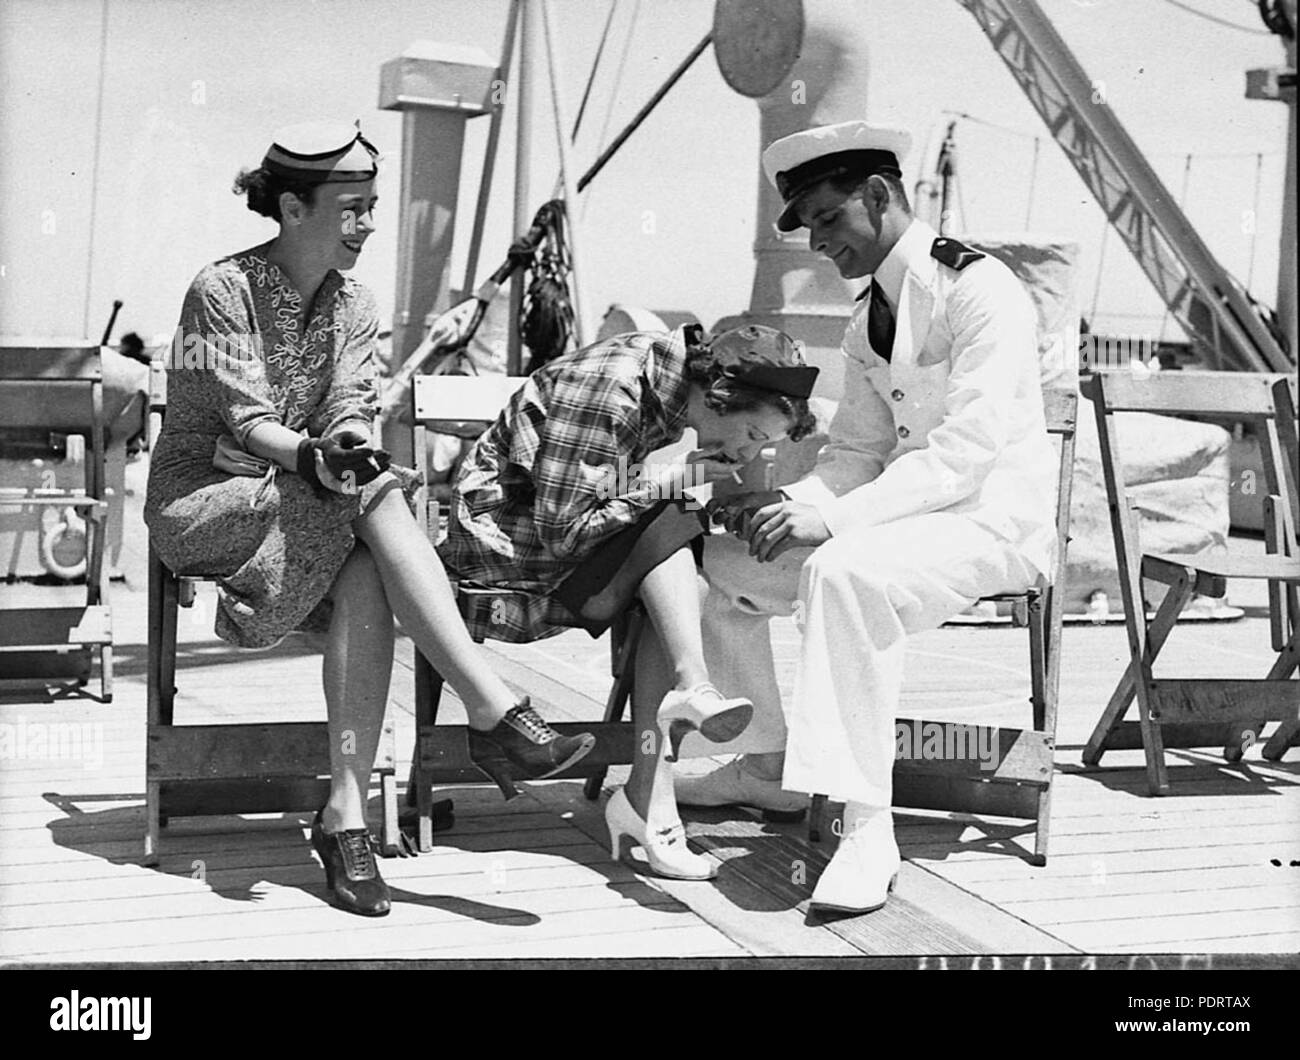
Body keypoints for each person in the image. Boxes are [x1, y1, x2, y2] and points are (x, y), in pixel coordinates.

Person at [144, 122, 594, 917]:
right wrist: (323, 461)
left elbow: (350, 407)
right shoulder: (222, 287)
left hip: (314, 498)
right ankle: (493, 711)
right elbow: (248, 422)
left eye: (373, 206)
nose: (368, 224)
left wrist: (348, 444)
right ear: (293, 206)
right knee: (374, 499)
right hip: (205, 499)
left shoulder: (356, 302)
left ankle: (345, 815)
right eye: (352, 207)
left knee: (364, 553)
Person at [679, 120, 1058, 915]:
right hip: (906, 521)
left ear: (879, 195)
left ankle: (866, 830)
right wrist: (791, 506)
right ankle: (767, 763)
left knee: (844, 573)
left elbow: (965, 453)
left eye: (826, 218)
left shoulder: (978, 288)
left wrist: (837, 524)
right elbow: (854, 450)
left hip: (989, 523)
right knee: (725, 565)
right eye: (808, 225)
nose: (817, 242)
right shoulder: (866, 319)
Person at [440, 323, 818, 879]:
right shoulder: (613, 389)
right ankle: (659, 770)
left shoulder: (663, 380)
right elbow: (565, 531)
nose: (748, 450)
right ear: (721, 394)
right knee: (677, 526)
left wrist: (685, 495)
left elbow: (605, 488)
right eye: (754, 432)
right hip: (501, 550)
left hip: (551, 535)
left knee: (679, 540)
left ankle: (666, 758)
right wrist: (673, 484)